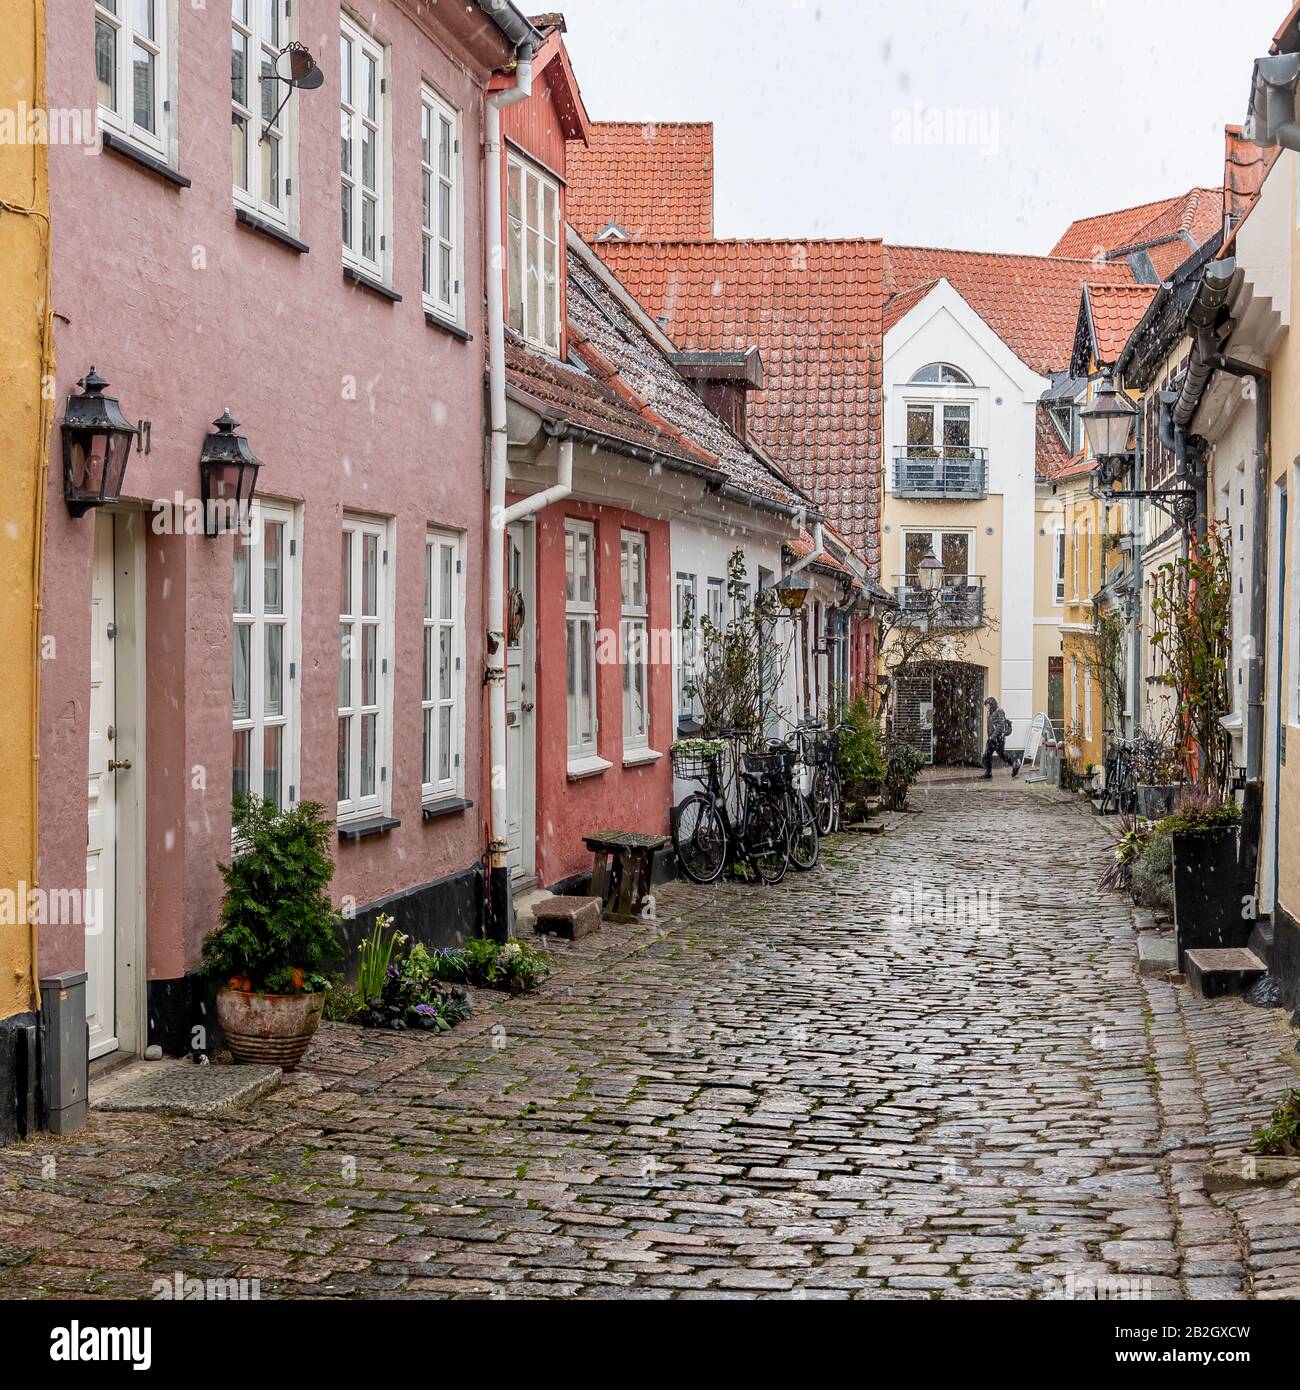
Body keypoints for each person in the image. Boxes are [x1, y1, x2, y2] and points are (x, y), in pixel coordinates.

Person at [982, 696, 1019, 778]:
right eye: (986, 706)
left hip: (998, 738)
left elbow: (1000, 726)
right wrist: (990, 737)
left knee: (1001, 755)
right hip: (992, 738)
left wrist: (993, 737)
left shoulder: (1000, 712)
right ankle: (988, 772)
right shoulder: (990, 712)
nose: (987, 707)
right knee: (987, 755)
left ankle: (1015, 764)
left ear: (992, 703)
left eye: (988, 705)